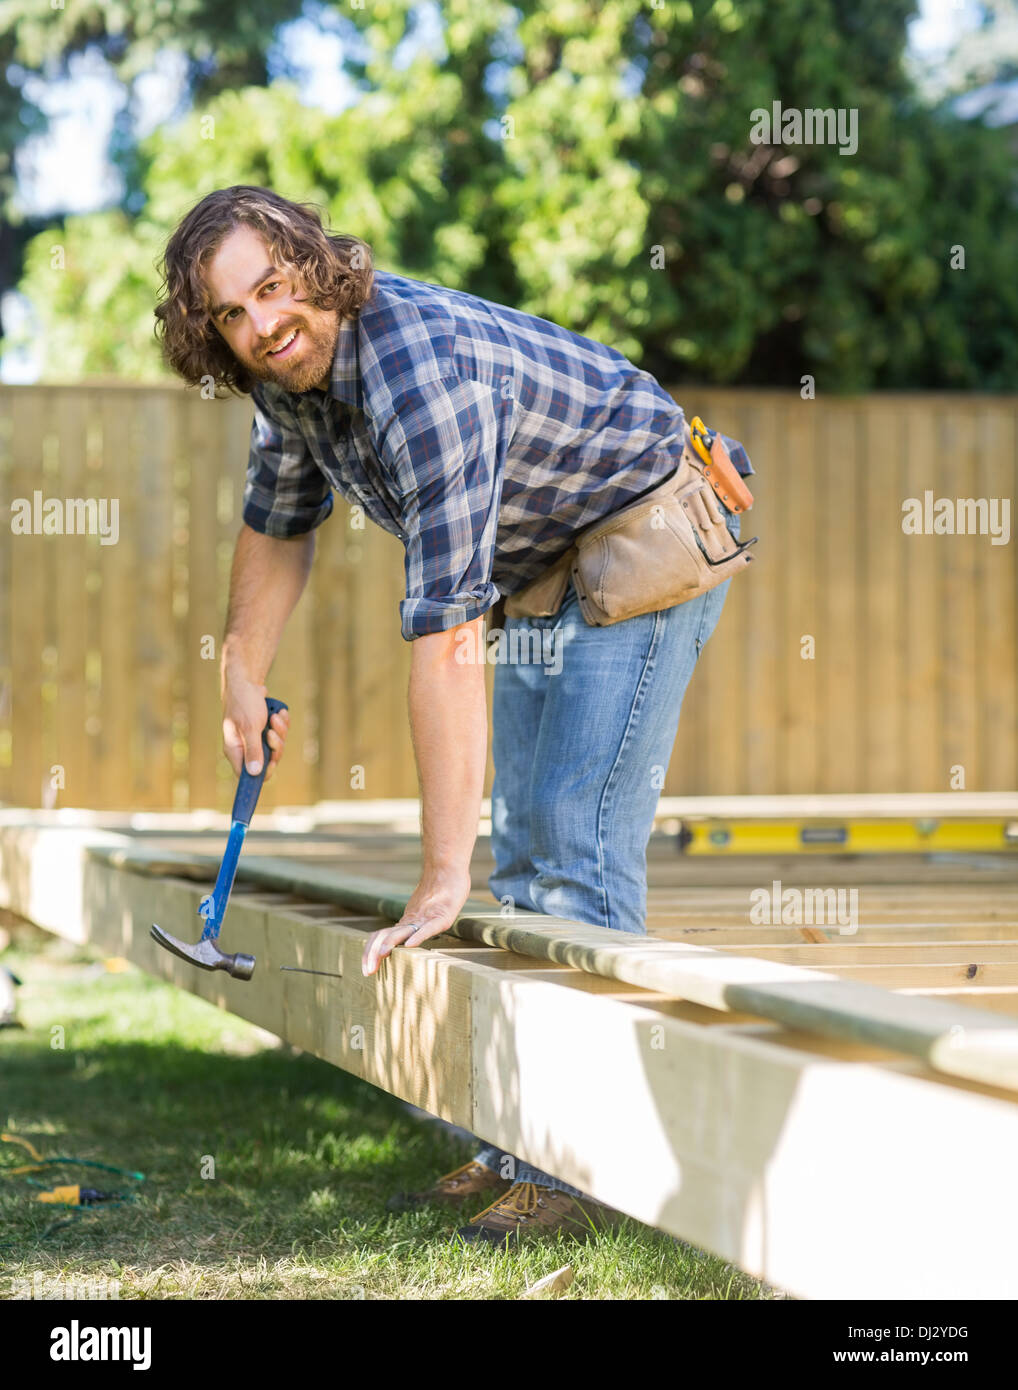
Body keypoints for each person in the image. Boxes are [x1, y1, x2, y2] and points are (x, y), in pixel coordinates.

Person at [155, 185, 754, 1247]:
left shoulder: (421, 374)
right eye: (230, 317)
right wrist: (238, 668)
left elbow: (444, 640)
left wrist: (440, 874)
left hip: (647, 525)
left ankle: (582, 1169)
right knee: (527, 855)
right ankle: (517, 1147)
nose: (260, 327)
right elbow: (278, 524)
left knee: (573, 844)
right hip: (547, 561)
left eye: (272, 289)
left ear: (309, 261)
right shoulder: (286, 382)